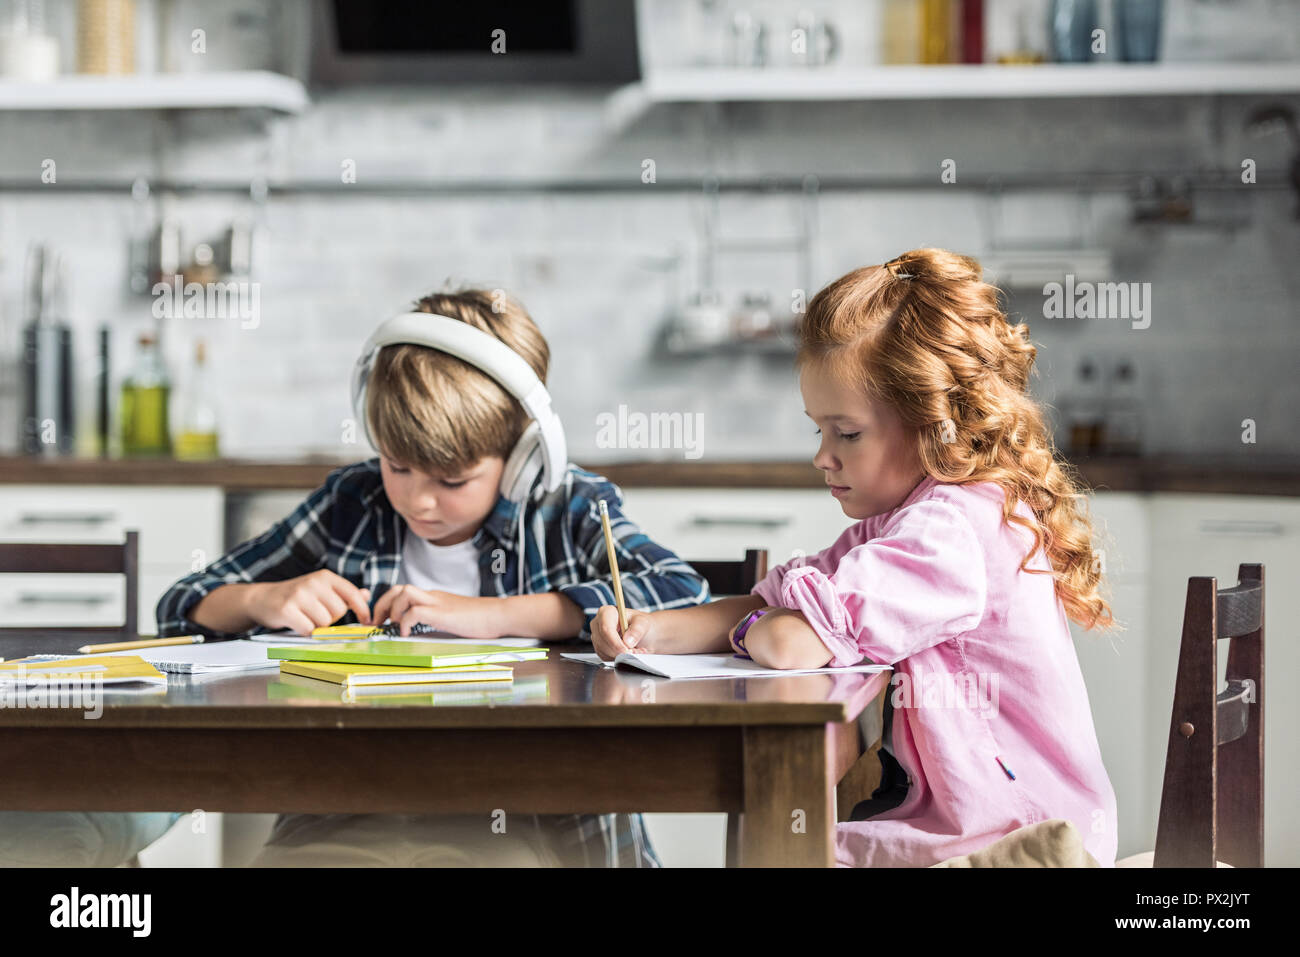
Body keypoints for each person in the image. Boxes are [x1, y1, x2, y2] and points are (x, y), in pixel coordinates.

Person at [590, 248, 1119, 868]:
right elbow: (778, 603)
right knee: (790, 846)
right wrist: (649, 632)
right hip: (991, 817)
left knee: (784, 851)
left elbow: (790, 642)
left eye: (847, 433)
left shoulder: (947, 530)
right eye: (819, 430)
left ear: (931, 423)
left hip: (1020, 842)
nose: (822, 456)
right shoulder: (909, 516)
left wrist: (760, 626)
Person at [156, 288, 710, 867]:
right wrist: (261, 598)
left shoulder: (564, 506)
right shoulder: (355, 501)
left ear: (520, 459)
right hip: (348, 802)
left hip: (539, 813)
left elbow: (684, 594)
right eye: (399, 467)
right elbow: (180, 606)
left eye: (452, 480)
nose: (419, 501)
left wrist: (494, 616)